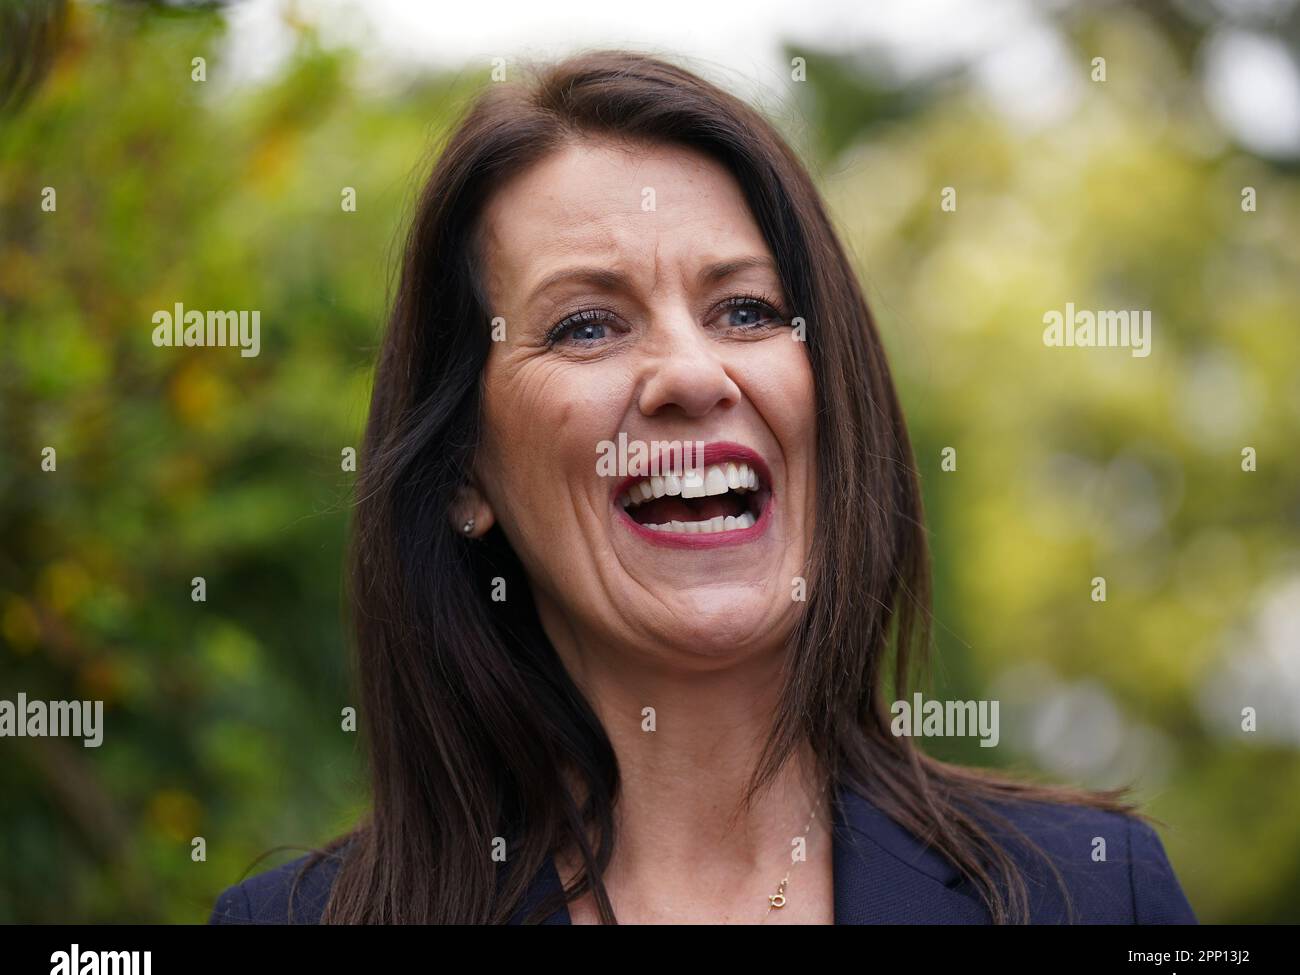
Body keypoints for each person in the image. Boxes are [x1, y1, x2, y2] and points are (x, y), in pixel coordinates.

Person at [210, 49, 1196, 926]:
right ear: (466, 470)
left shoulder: (1094, 893)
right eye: (586, 325)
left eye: (746, 310)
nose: (690, 376)